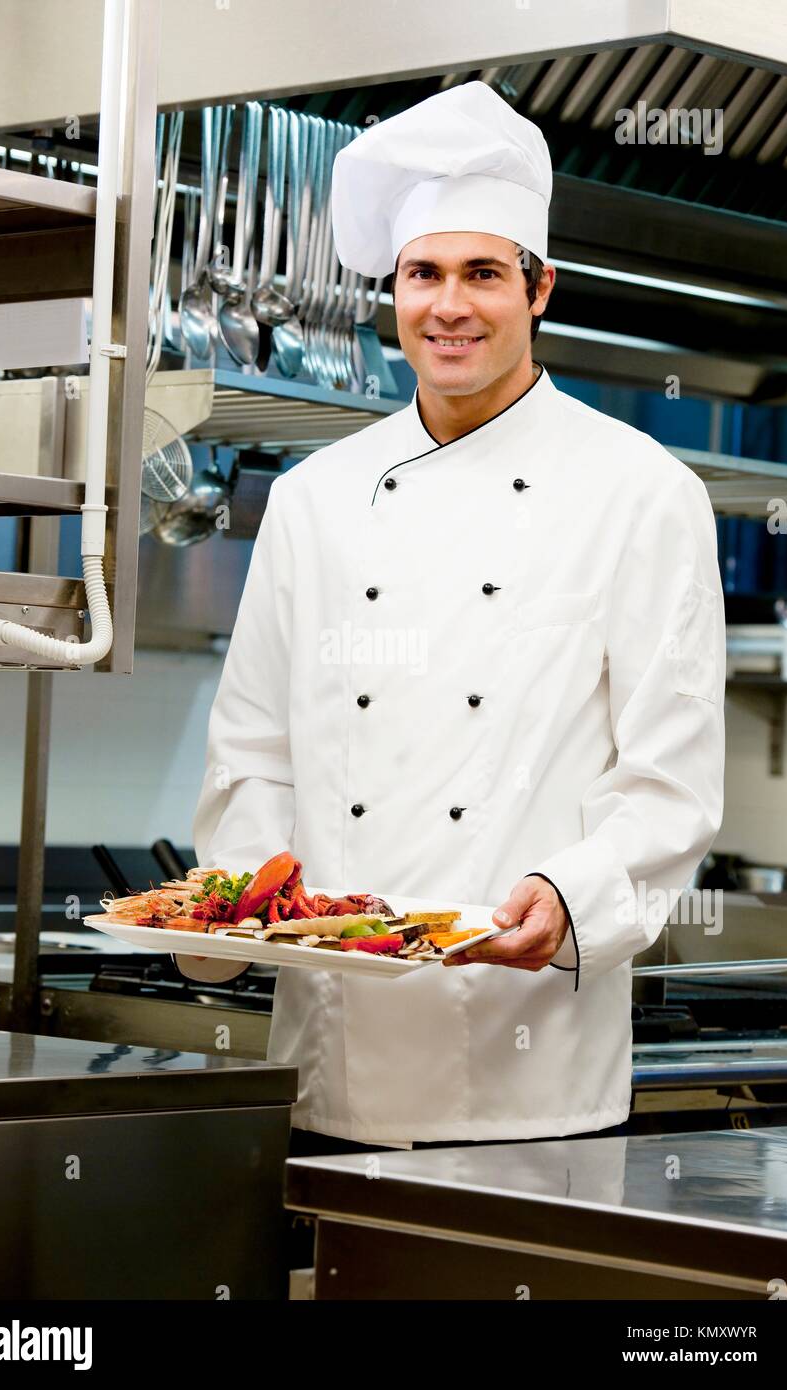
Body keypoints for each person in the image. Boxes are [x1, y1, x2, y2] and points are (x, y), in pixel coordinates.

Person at [186, 82, 725, 1154]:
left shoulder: (639, 491)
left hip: (532, 1071)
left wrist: (570, 896)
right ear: (391, 290)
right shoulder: (314, 496)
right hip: (331, 1057)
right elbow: (254, 750)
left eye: (482, 273)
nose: (447, 305)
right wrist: (230, 907)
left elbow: (670, 782)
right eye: (422, 274)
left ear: (539, 289)